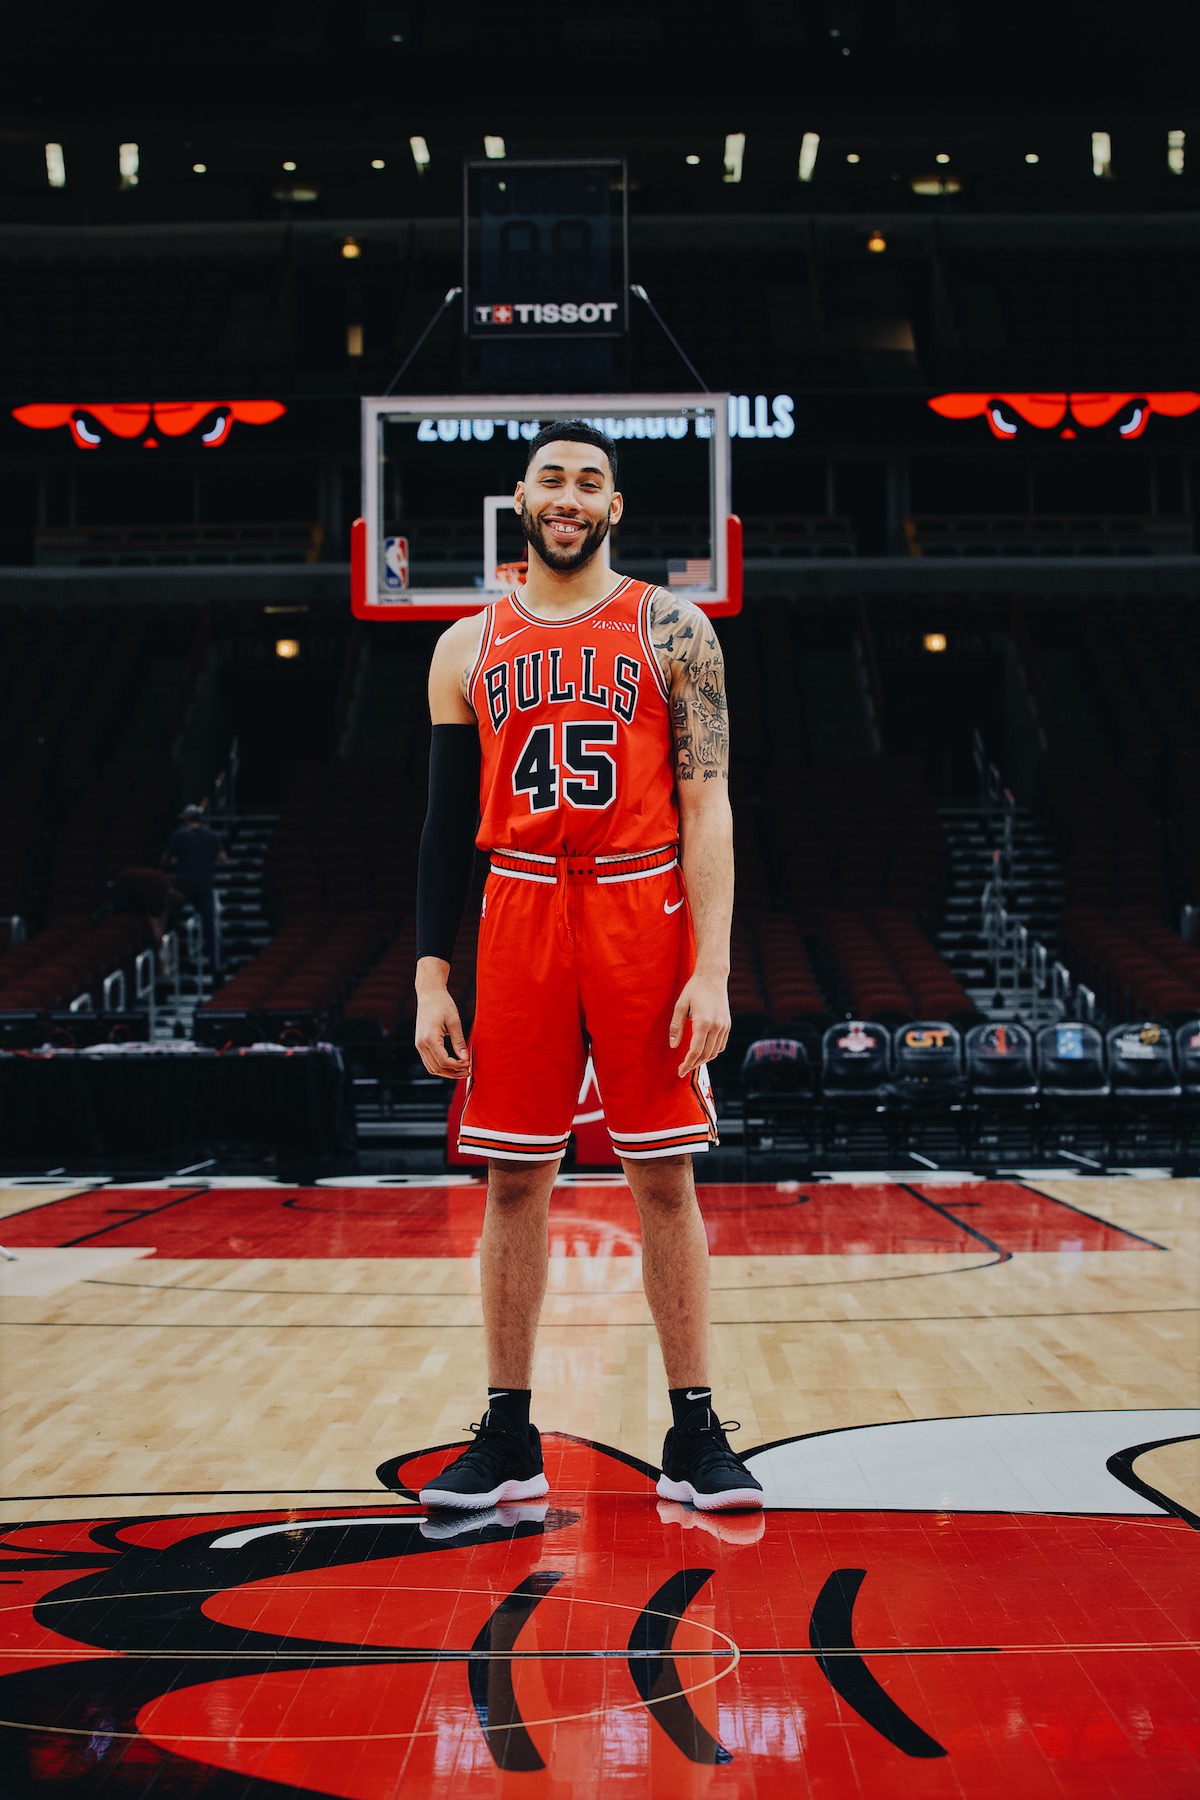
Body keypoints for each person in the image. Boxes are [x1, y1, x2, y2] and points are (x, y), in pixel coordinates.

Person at [409, 420, 762, 1514]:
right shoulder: (464, 645)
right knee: (516, 1178)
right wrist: (431, 975)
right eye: (552, 477)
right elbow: (438, 826)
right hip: (518, 906)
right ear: (519, 495)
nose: (570, 495)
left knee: (663, 1175)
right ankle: (510, 1431)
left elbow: (708, 808)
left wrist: (711, 968)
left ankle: (695, 1430)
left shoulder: (674, 628)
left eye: (590, 481)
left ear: (616, 506)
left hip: (637, 904)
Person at [161, 805, 227, 969]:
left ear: (186, 819)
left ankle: (173, 961)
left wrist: (177, 861)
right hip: (204, 886)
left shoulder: (178, 836)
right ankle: (216, 965)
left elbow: (165, 860)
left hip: (183, 886)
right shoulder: (211, 836)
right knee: (210, 929)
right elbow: (222, 858)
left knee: (171, 923)